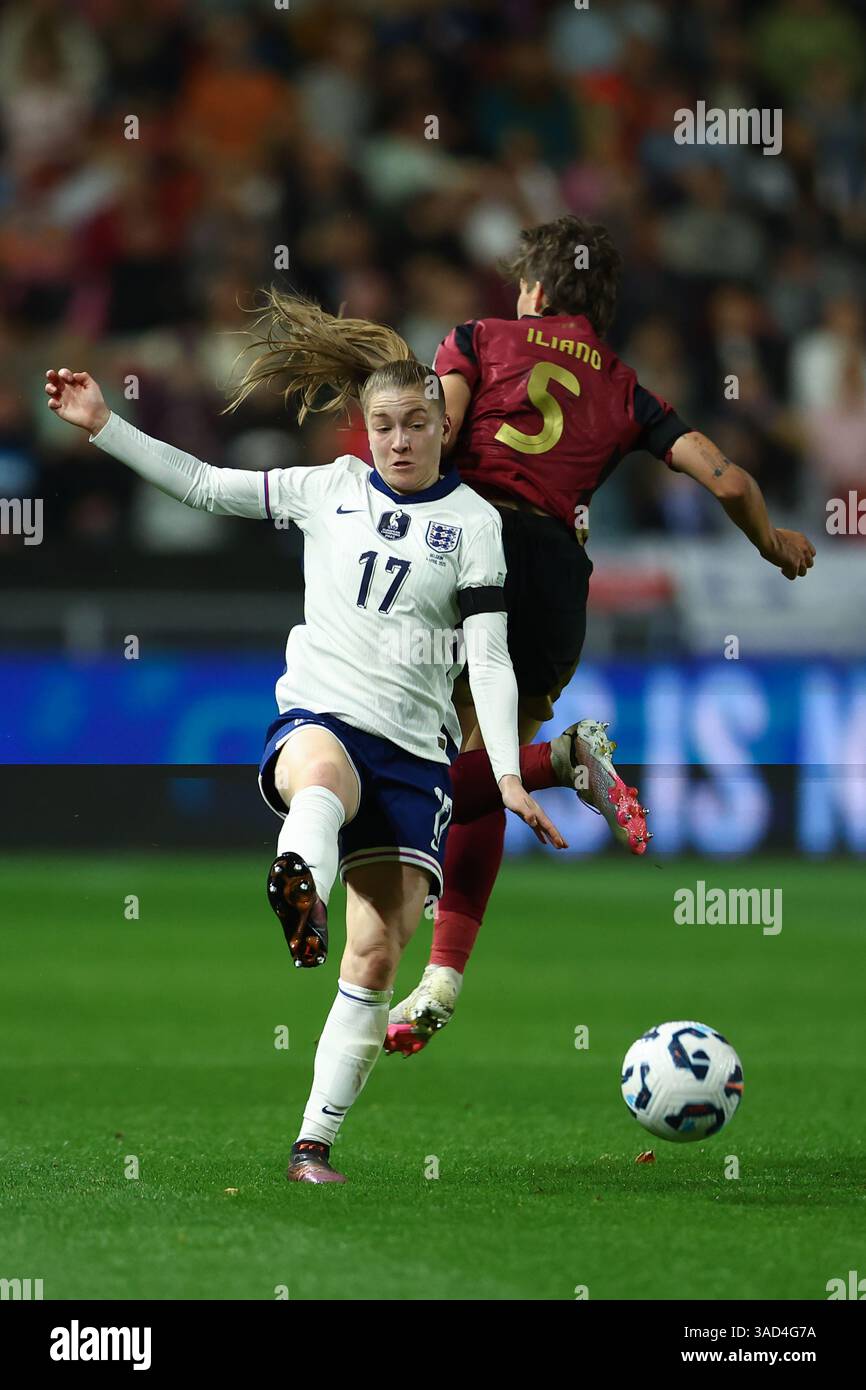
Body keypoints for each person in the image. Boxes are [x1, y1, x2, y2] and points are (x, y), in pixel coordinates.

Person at [43, 293, 567, 1184]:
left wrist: (509, 775)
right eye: (382, 426)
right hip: (322, 715)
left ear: (442, 423)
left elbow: (488, 659)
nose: (398, 440)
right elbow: (208, 486)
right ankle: (298, 884)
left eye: (414, 423)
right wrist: (105, 425)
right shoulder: (327, 489)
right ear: (363, 429)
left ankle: (312, 1145)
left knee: (373, 955)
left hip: (416, 758)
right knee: (319, 776)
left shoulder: (476, 526)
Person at [386, 215, 816, 1057]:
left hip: (470, 548)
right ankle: (444, 971)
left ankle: (534, 782)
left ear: (536, 292)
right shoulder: (625, 387)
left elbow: (435, 438)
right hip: (556, 576)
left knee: (397, 756)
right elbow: (725, 477)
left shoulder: (479, 336)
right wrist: (775, 543)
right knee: (492, 758)